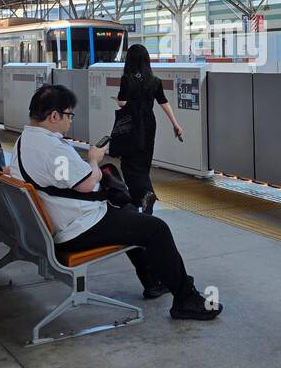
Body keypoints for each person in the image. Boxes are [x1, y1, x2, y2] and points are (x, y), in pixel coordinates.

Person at [16, 83, 221, 320]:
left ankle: (155, 279)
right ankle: (185, 299)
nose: (70, 121)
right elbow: (85, 184)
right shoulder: (52, 147)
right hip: (76, 228)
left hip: (55, 222)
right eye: (69, 115)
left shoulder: (25, 141)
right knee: (157, 229)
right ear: (54, 115)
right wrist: (94, 159)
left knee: (130, 211)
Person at [113, 43, 183, 213]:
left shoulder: (127, 79)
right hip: (149, 123)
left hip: (133, 124)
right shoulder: (155, 80)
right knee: (143, 163)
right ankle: (140, 199)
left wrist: (120, 101)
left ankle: (145, 194)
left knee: (129, 163)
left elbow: (122, 101)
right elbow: (163, 101)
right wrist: (175, 124)